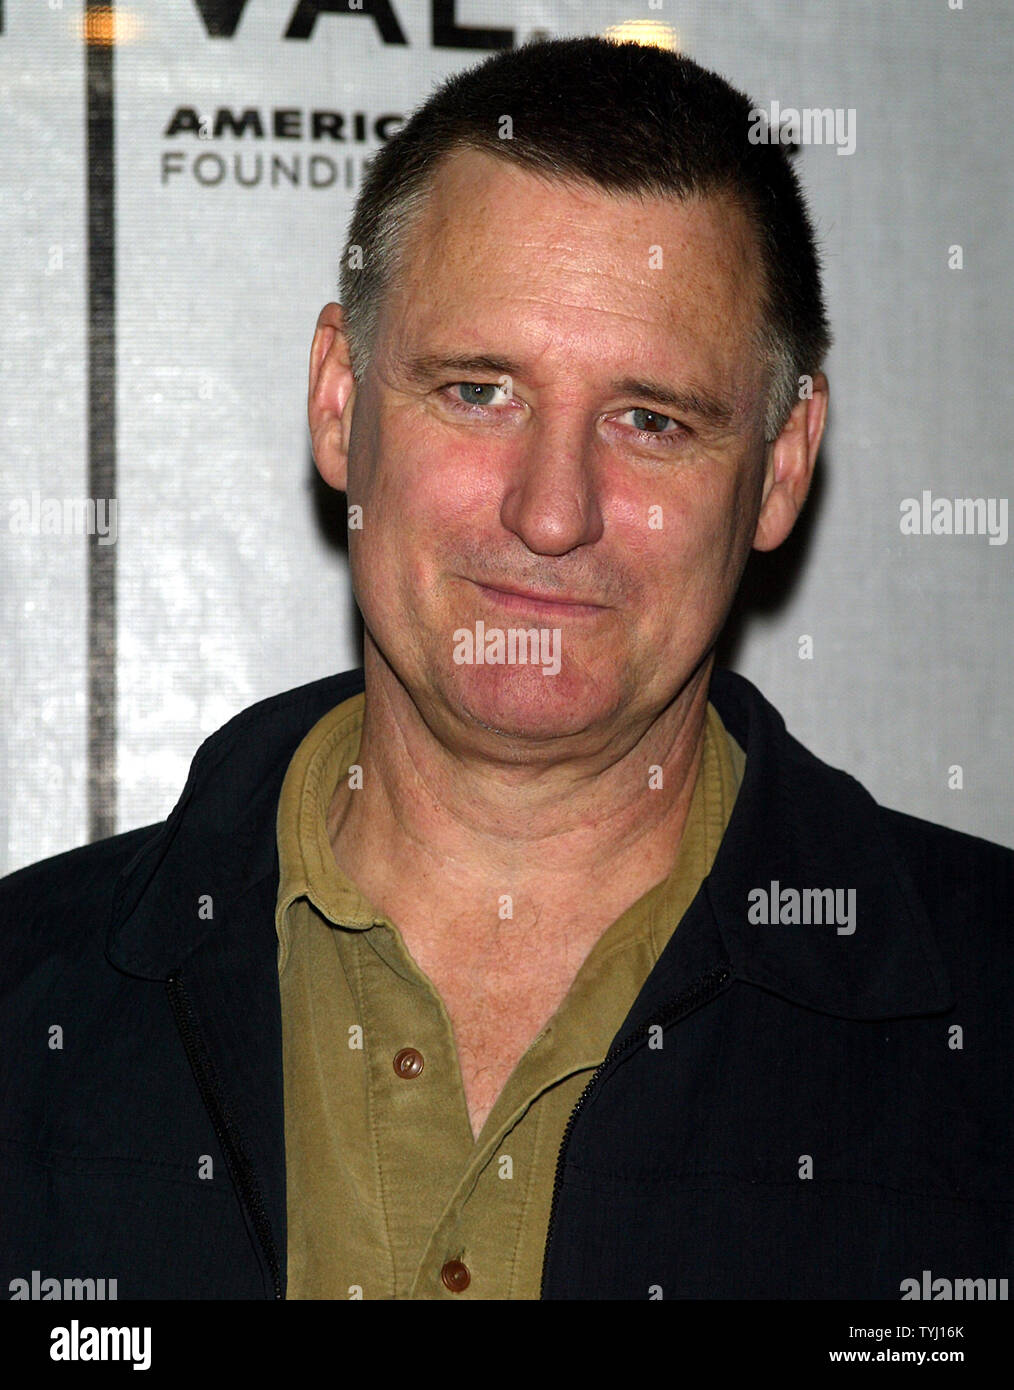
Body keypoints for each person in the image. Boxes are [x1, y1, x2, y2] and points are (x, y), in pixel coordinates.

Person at [2, 35, 1010, 1303]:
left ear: (785, 461)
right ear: (337, 398)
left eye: (651, 420)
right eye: (479, 391)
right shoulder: (24, 1001)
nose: (550, 512)